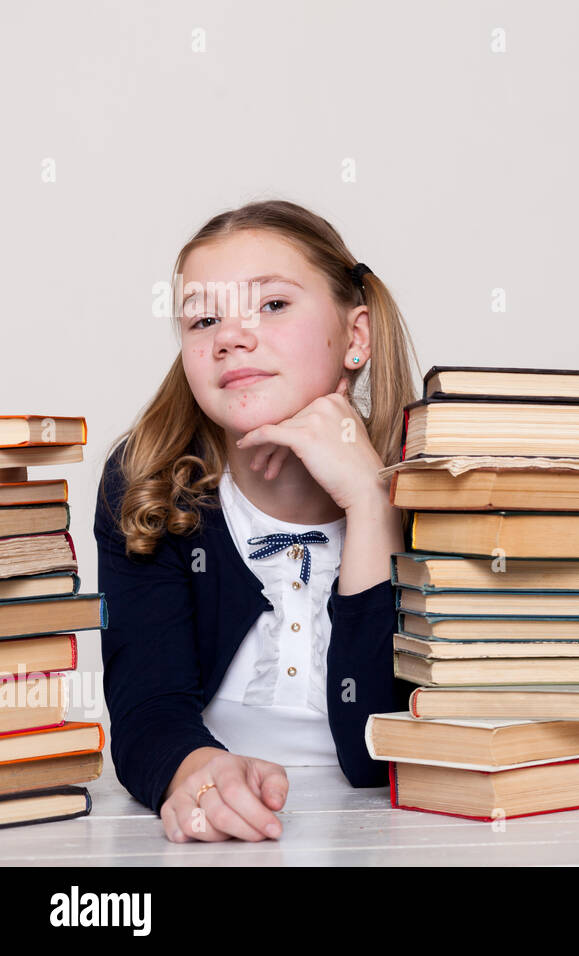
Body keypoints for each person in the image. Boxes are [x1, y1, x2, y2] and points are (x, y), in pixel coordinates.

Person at [94, 200, 420, 841]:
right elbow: (147, 712)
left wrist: (368, 506)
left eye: (272, 305)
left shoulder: (435, 491)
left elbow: (377, 756)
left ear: (356, 338)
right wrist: (198, 770)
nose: (230, 337)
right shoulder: (149, 486)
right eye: (203, 318)